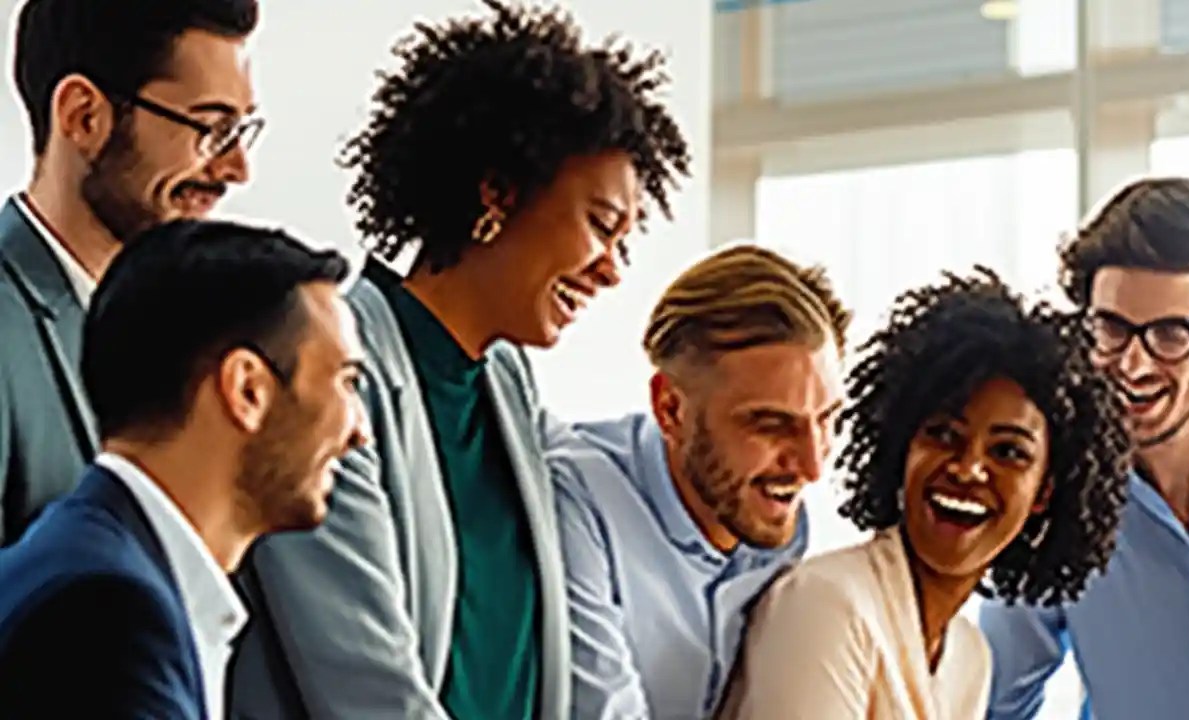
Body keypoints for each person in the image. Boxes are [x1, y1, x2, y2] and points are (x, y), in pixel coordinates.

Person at [227, 2, 692, 718]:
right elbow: (363, 682)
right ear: (497, 194)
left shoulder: (504, 383)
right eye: (601, 226)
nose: (611, 270)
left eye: (624, 242)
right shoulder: (329, 365)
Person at [717, 268, 1132, 719]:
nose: (968, 469)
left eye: (1008, 452)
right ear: (902, 448)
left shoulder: (969, 657)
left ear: (1044, 493)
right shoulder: (825, 603)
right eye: (943, 434)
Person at [0, 220, 367, 719]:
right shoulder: (109, 615)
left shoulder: (102, 567)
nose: (360, 432)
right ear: (248, 390)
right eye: (347, 382)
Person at [981, 177, 1189, 719]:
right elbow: (995, 699)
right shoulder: (1050, 487)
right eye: (1111, 328)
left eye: (1170, 334)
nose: (1133, 365)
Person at [549, 244, 850, 719]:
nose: (813, 467)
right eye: (771, 424)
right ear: (671, 409)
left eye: (828, 419)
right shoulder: (576, 498)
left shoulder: (775, 517)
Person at [0, 0, 262, 544]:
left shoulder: (182, 329)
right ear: (84, 117)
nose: (237, 169)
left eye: (241, 130)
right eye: (212, 129)